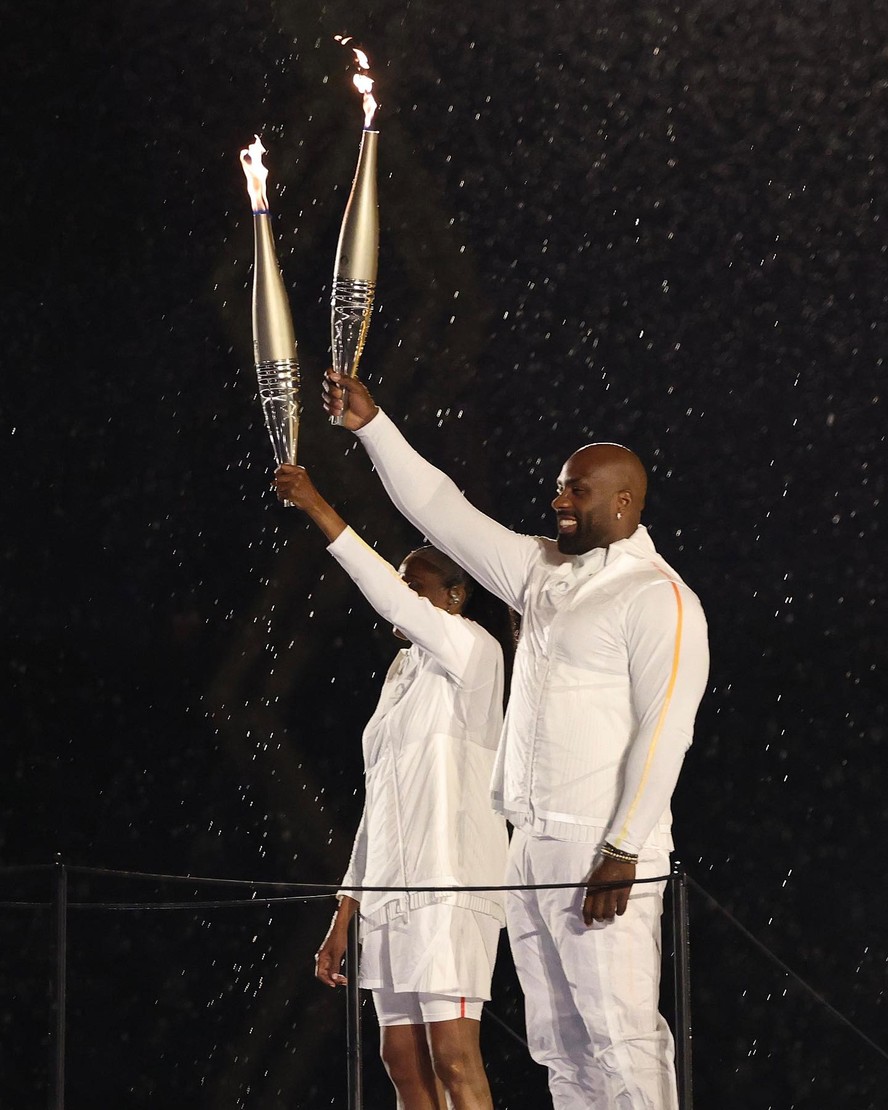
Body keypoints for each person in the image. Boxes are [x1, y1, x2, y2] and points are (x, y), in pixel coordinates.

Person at [321, 372, 710, 1110]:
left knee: (619, 1036)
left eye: (577, 492)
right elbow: (442, 510)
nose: (559, 503)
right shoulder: (540, 572)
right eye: (560, 489)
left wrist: (623, 849)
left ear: (624, 502)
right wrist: (373, 426)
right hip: (527, 847)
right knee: (560, 1044)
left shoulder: (659, 598)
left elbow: (668, 730)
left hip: (602, 850)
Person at [273, 463, 510, 1110]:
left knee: (454, 1057)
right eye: (403, 584)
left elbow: (387, 596)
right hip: (391, 892)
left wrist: (318, 506)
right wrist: (345, 911)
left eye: (417, 586)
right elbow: (381, 803)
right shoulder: (400, 675)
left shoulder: (472, 651)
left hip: (449, 886)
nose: (402, 597)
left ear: (455, 595)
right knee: (402, 1061)